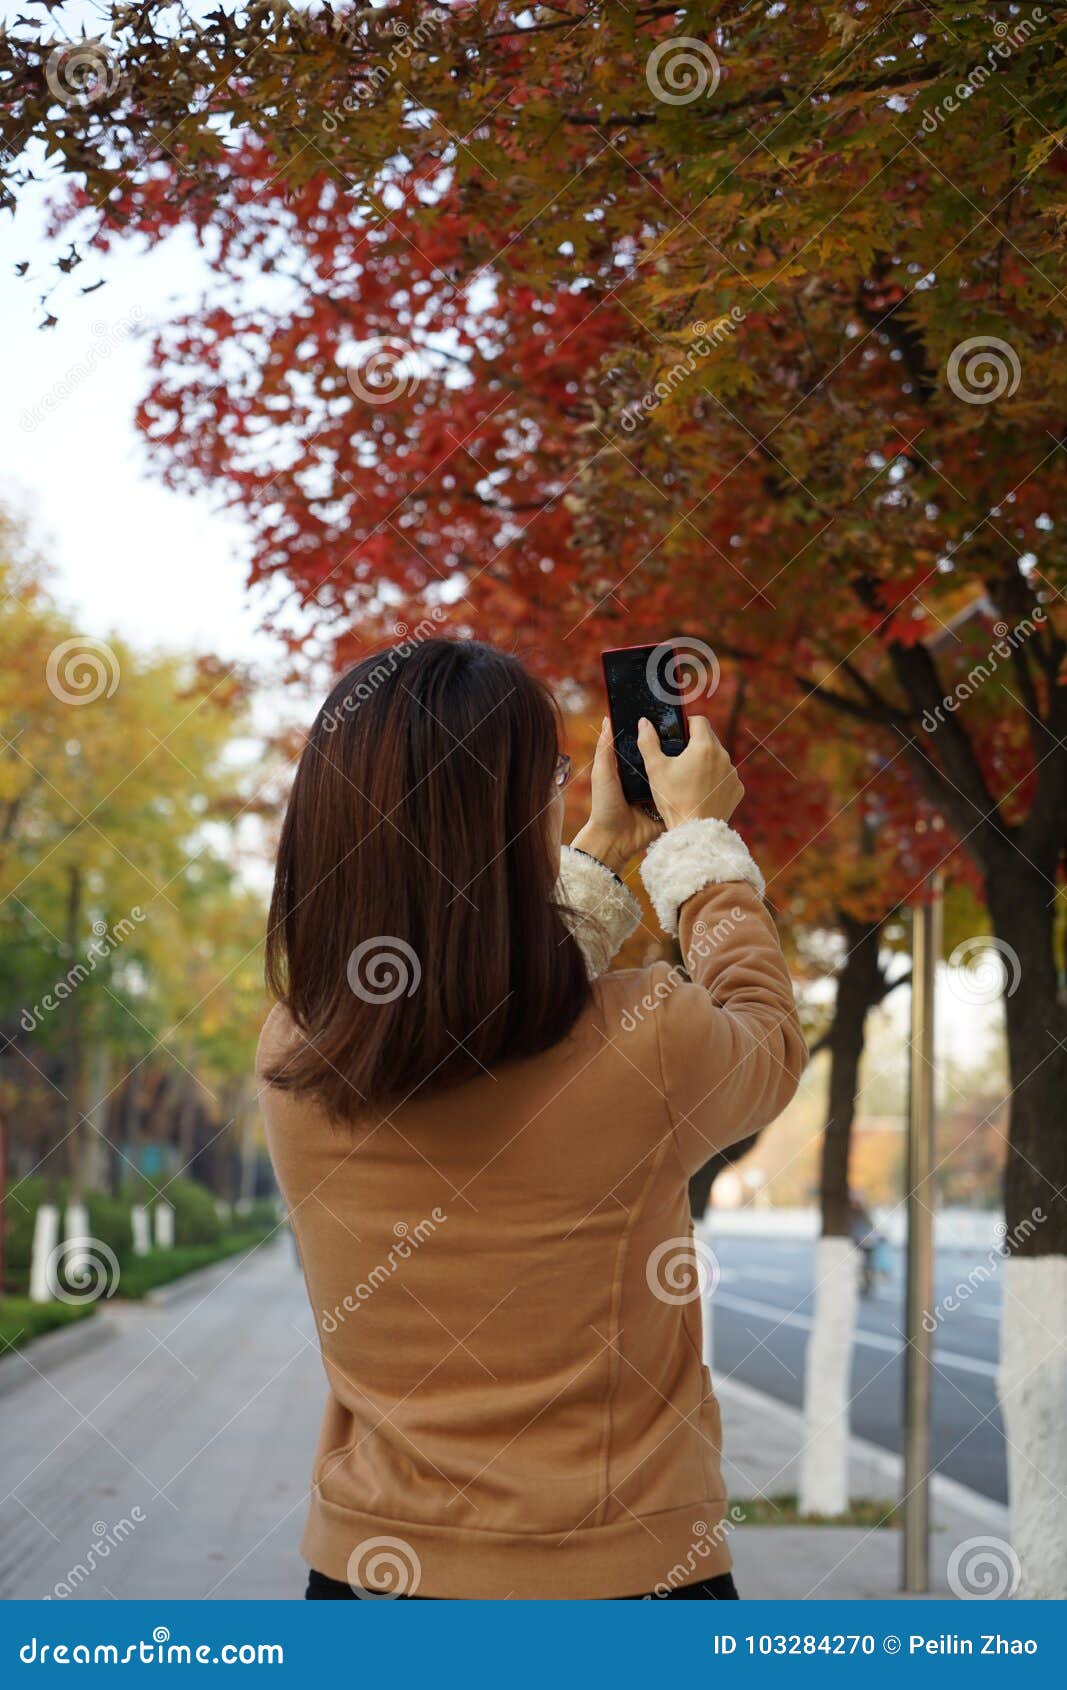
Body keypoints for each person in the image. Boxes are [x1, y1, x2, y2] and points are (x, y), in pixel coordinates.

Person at [257, 638, 807, 1600]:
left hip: (367, 1584)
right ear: (509, 820)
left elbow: (479, 1009)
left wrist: (597, 853)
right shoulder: (649, 1040)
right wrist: (695, 844)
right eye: (543, 781)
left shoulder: (297, 1055)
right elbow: (764, 1037)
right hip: (622, 1586)